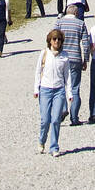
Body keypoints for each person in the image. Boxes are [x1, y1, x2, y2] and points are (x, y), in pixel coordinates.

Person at [34, 29, 74, 157]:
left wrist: (69, 93)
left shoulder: (65, 56)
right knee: (45, 120)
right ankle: (41, 140)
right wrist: (36, 89)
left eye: (59, 40)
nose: (56, 42)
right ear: (50, 41)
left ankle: (54, 146)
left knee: (56, 119)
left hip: (59, 90)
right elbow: (37, 71)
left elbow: (67, 76)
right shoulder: (44, 53)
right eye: (54, 39)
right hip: (45, 89)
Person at [55, 4, 91, 125]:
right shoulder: (81, 24)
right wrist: (85, 59)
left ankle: (63, 108)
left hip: (61, 58)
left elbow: (52, 38)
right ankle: (74, 118)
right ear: (76, 13)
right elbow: (86, 44)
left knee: (61, 86)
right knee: (74, 88)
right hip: (75, 58)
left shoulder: (59, 22)